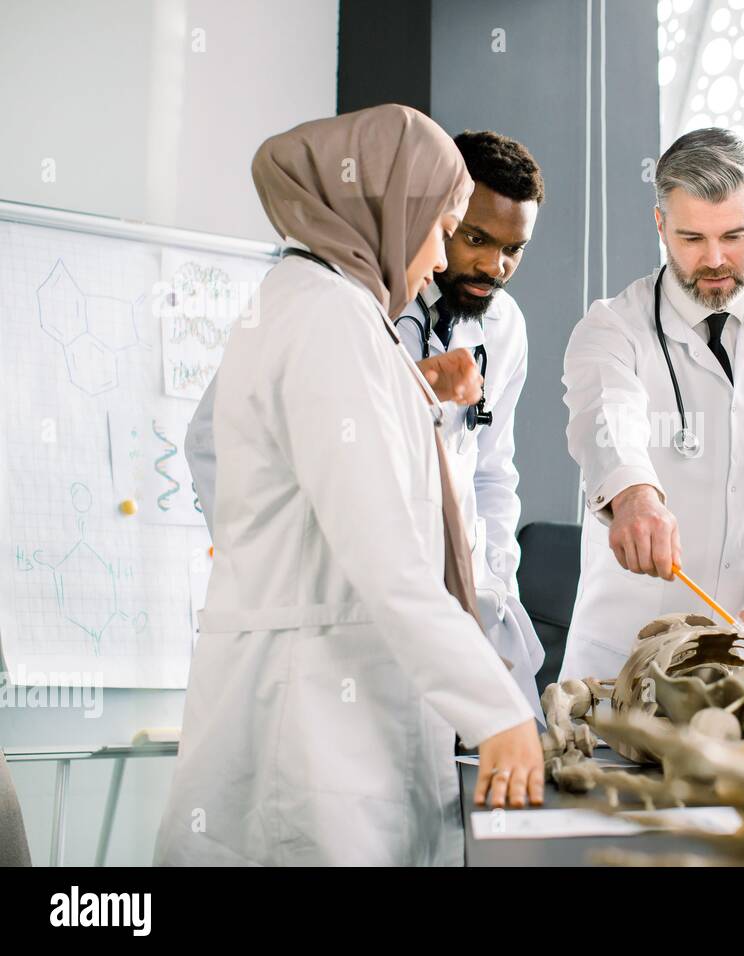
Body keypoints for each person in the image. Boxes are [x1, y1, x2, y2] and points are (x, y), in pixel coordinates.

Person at [155, 105, 543, 867]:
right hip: (313, 707)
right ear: (390, 209)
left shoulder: (327, 305)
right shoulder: (331, 316)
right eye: (444, 227)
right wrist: (499, 711)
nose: (437, 260)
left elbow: (467, 493)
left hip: (348, 680)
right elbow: (386, 556)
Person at [559, 127, 744, 681]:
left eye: (734, 236)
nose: (714, 260)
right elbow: (605, 418)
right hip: (624, 663)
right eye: (691, 239)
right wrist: (635, 497)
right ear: (661, 224)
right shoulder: (613, 327)